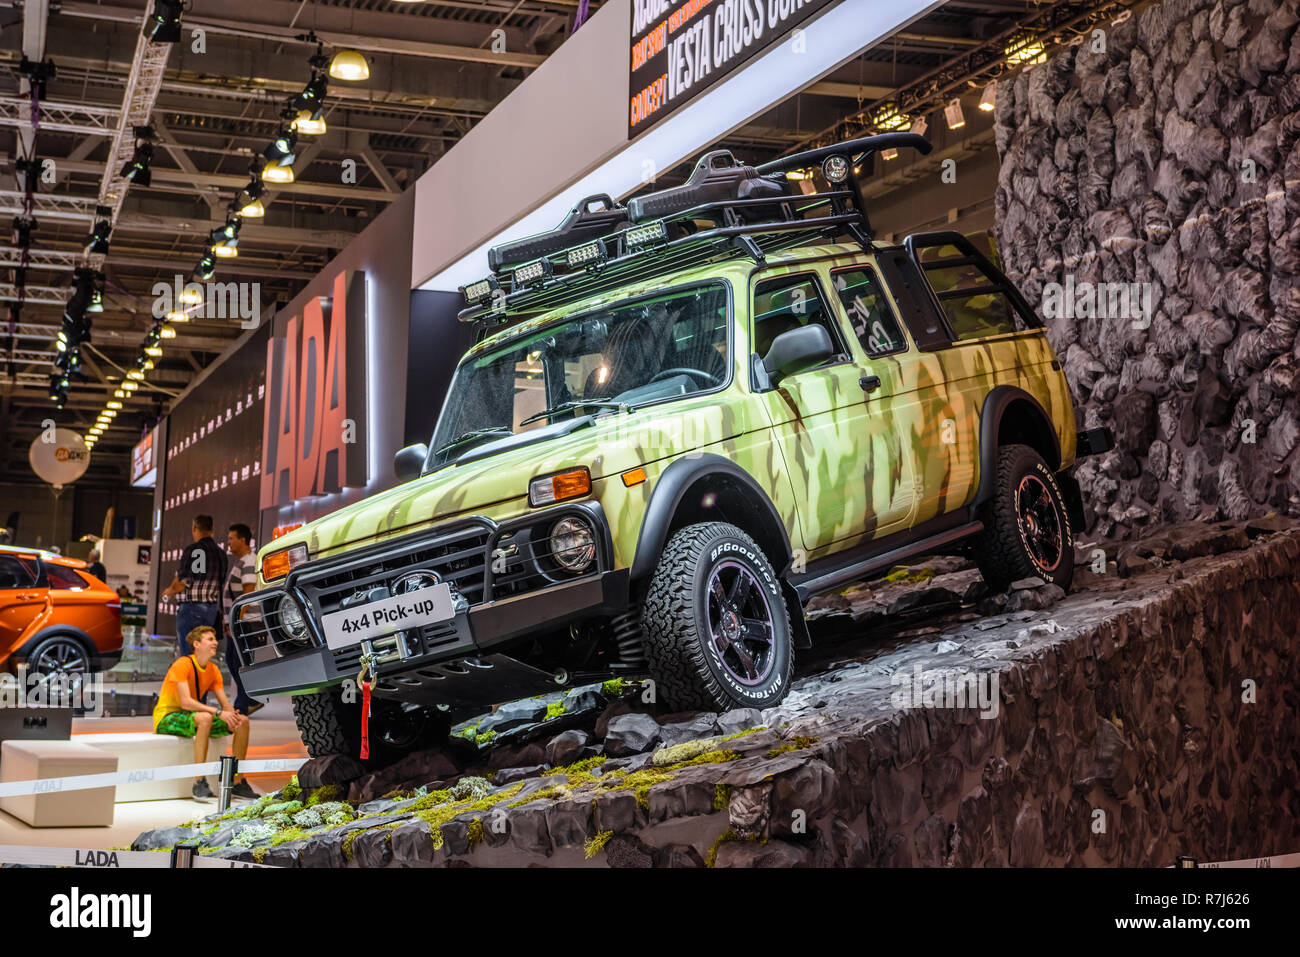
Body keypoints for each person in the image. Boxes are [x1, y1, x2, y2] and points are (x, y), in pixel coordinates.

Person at [153, 625, 258, 801]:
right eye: (210, 639)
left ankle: (237, 782)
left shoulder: (213, 670)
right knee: (205, 718)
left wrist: (231, 715)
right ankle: (198, 781)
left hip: (193, 717)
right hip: (167, 717)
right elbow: (186, 702)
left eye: (215, 639)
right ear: (196, 644)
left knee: (243, 721)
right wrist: (218, 712)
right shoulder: (182, 664)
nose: (215, 643)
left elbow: (225, 704)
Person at [161, 515, 227, 658]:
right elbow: (220, 586)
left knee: (189, 656)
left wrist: (168, 592)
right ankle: (201, 680)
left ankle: (191, 680)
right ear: (212, 530)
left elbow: (183, 582)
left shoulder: (195, 550)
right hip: (211, 611)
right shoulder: (221, 553)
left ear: (195, 528)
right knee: (203, 656)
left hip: (191, 611)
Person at [222, 523, 262, 716]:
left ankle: (245, 702)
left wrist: (234, 621)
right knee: (233, 661)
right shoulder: (242, 561)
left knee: (240, 663)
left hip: (246, 623)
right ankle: (248, 699)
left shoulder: (249, 562)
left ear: (243, 540)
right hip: (240, 622)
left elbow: (247, 594)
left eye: (231, 538)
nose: (228, 542)